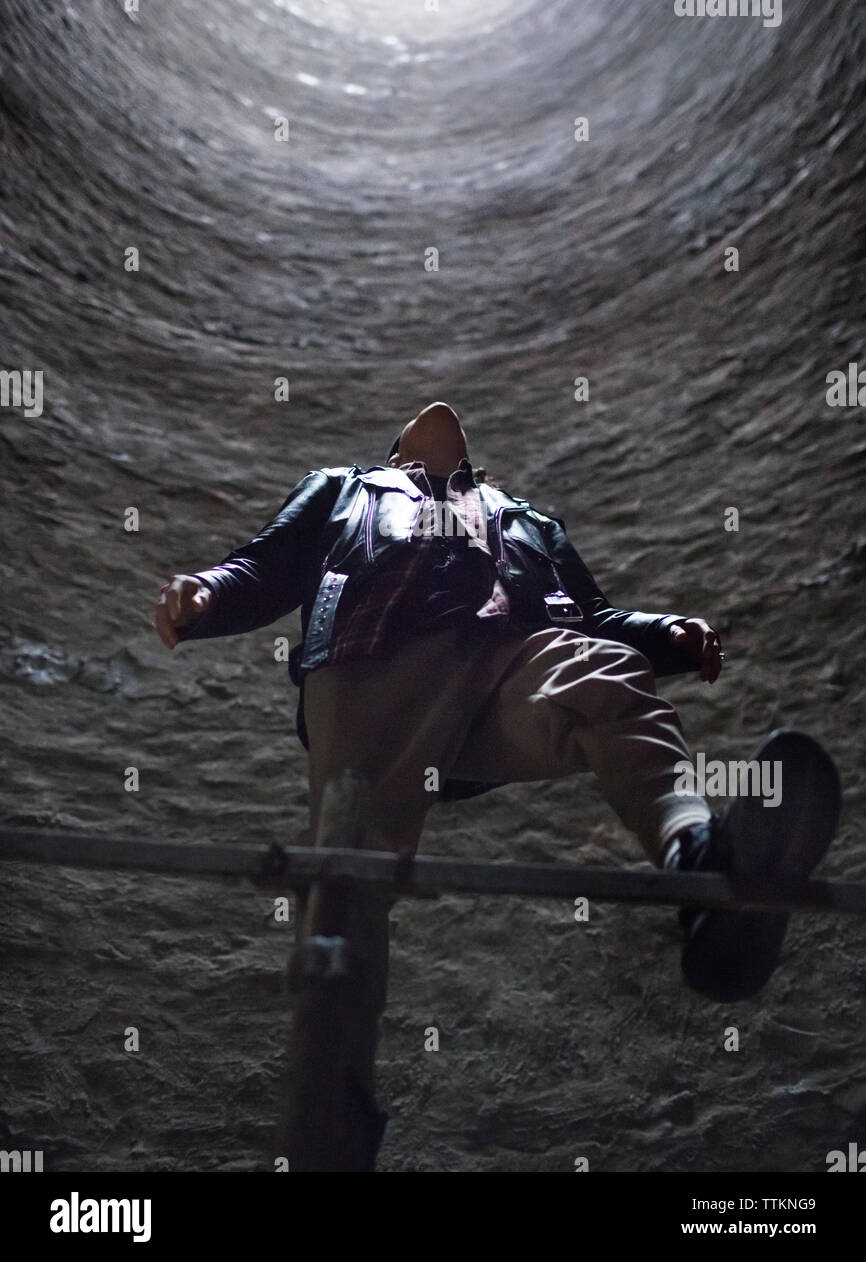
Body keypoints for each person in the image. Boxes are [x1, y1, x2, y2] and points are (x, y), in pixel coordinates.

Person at [153, 402, 840, 1160]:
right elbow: (268, 563)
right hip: (374, 660)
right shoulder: (345, 487)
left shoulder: (525, 517)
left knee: (604, 672)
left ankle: (704, 869)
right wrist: (207, 593)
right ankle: (329, 1123)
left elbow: (595, 615)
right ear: (391, 450)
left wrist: (665, 635)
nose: (438, 410)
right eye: (414, 420)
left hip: (507, 658)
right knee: (349, 866)